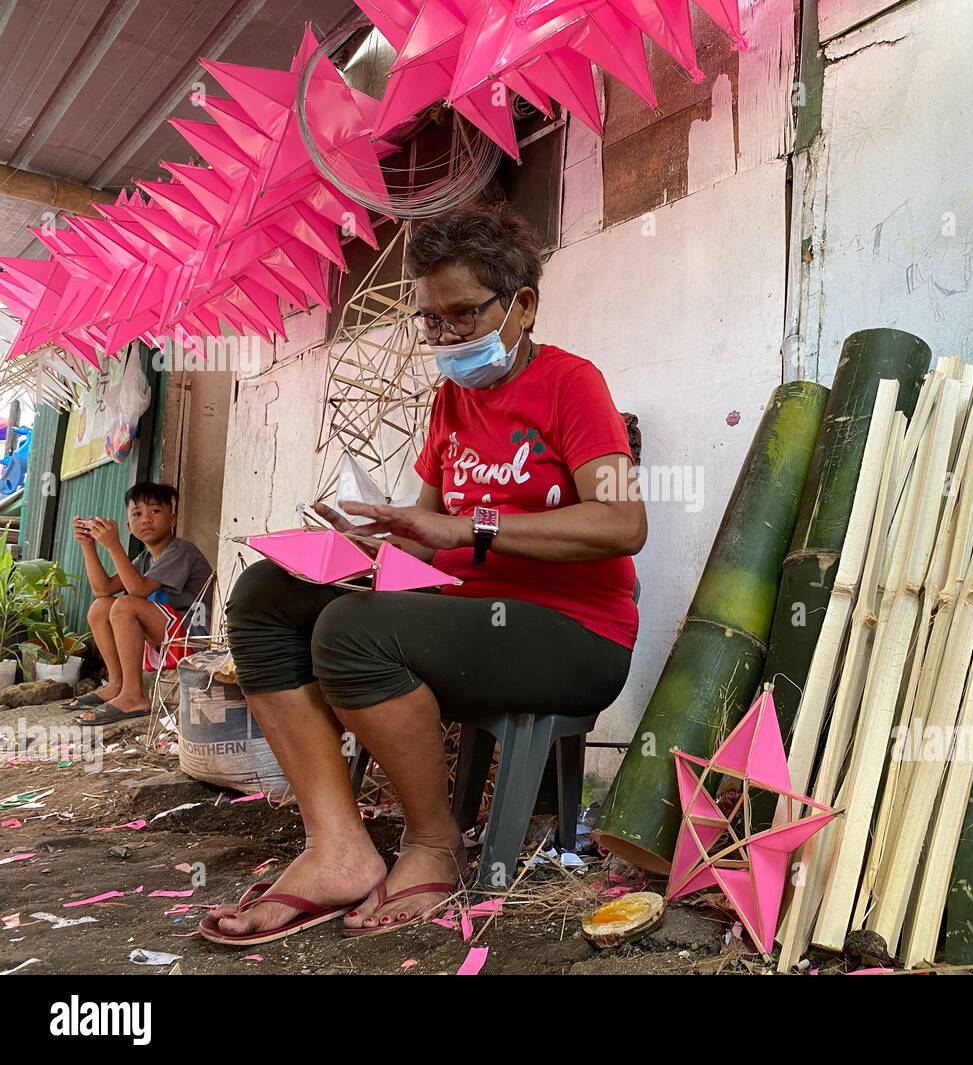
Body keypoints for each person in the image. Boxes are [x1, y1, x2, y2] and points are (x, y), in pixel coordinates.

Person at [203, 202, 645, 946]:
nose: (444, 338)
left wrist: (472, 528)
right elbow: (427, 541)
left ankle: (435, 841)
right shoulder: (451, 400)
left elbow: (623, 522)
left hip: (575, 636)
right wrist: (374, 536)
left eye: (463, 316)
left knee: (352, 632)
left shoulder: (573, 383)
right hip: (465, 618)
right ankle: (336, 844)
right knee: (264, 597)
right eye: (431, 322)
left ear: (523, 304)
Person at [70, 482, 214, 724]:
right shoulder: (145, 559)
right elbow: (102, 589)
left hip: (193, 639)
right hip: (168, 636)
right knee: (101, 608)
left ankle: (134, 695)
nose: (146, 519)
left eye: (156, 511)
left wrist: (114, 546)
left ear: (173, 519)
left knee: (125, 605)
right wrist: (88, 546)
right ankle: (117, 685)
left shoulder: (181, 550)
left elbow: (137, 590)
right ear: (128, 526)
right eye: (137, 514)